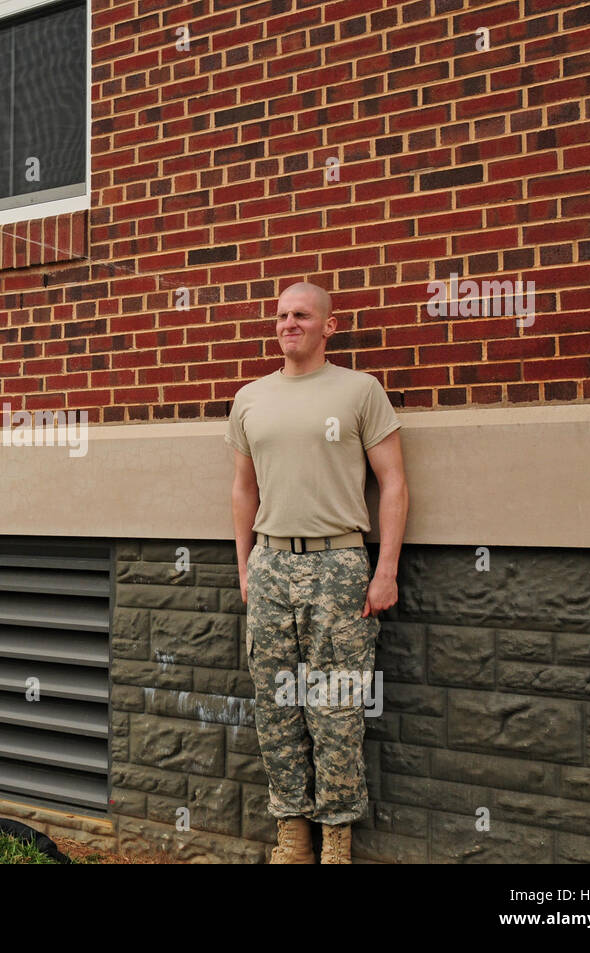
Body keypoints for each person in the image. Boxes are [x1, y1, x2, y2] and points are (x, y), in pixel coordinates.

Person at [225, 281, 408, 864]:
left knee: (337, 708)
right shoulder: (250, 397)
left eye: (301, 315)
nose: (288, 324)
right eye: (281, 315)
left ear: (329, 326)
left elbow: (395, 483)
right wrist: (245, 567)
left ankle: (335, 840)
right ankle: (292, 836)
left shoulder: (360, 391)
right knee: (276, 707)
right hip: (271, 562)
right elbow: (242, 489)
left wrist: (386, 571)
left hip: (340, 565)